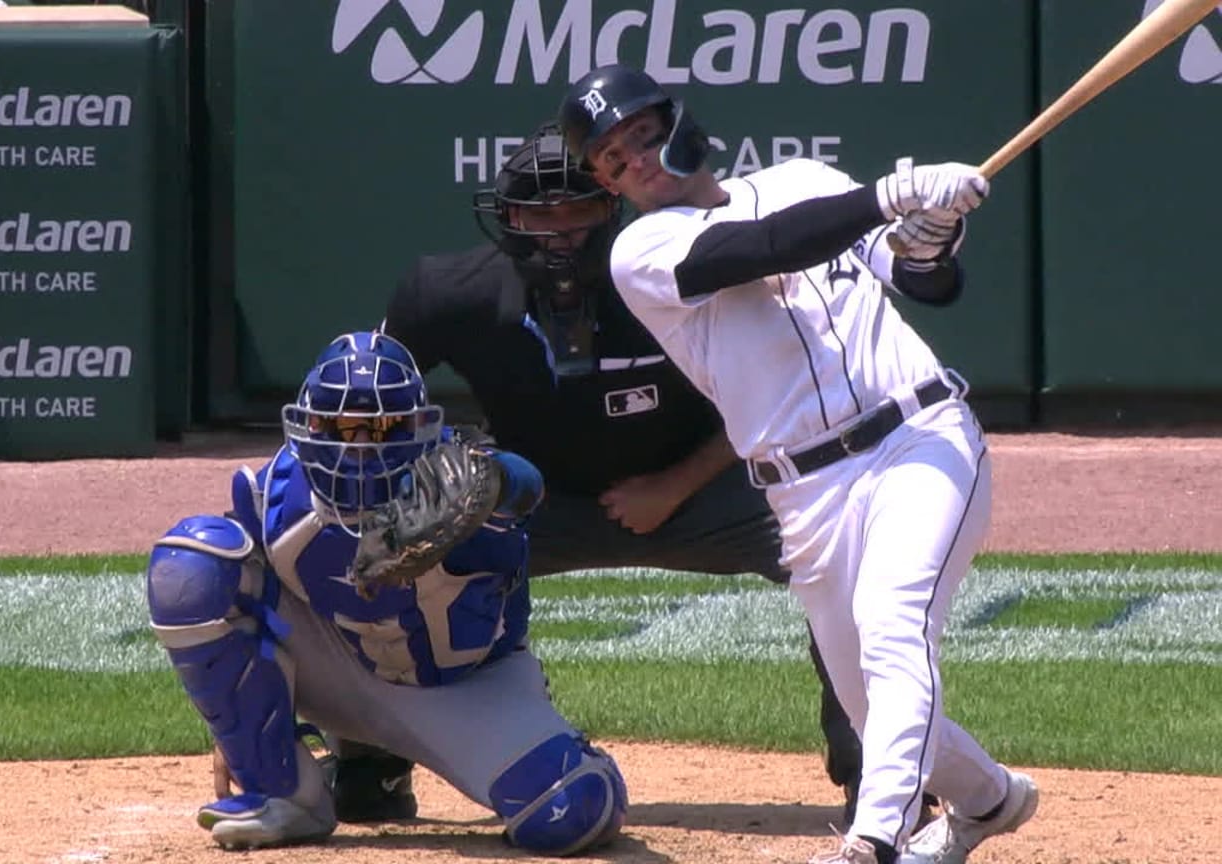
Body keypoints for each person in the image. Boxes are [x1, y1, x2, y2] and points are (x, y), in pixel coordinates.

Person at [324, 123, 880, 829]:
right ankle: (368, 765)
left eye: (578, 209)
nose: (559, 231)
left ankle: (879, 780)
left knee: (845, 557)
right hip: (531, 500)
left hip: (704, 490)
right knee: (382, 552)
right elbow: (366, 403)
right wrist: (453, 482)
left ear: (610, 208)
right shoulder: (447, 291)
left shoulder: (671, 271)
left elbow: (772, 398)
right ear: (507, 219)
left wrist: (675, 486)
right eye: (538, 214)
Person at [554, 64, 1039, 864]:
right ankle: (990, 801)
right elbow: (756, 249)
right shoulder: (641, 250)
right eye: (611, 160)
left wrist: (931, 234)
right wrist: (890, 197)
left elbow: (927, 282)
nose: (632, 160)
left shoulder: (804, 180)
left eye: (638, 135)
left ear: (677, 120)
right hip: (804, 493)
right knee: (865, 699)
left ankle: (875, 840)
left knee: (893, 634)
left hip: (919, 439)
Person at [142, 330, 627, 855]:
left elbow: (525, 488)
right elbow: (230, 599)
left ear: (418, 428)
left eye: (382, 428)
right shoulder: (279, 491)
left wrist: (493, 478)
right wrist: (240, 722)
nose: (360, 447)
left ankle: (380, 765)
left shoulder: (460, 491)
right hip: (340, 664)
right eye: (345, 427)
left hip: (465, 689)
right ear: (308, 427)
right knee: (191, 562)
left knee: (573, 811)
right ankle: (285, 791)